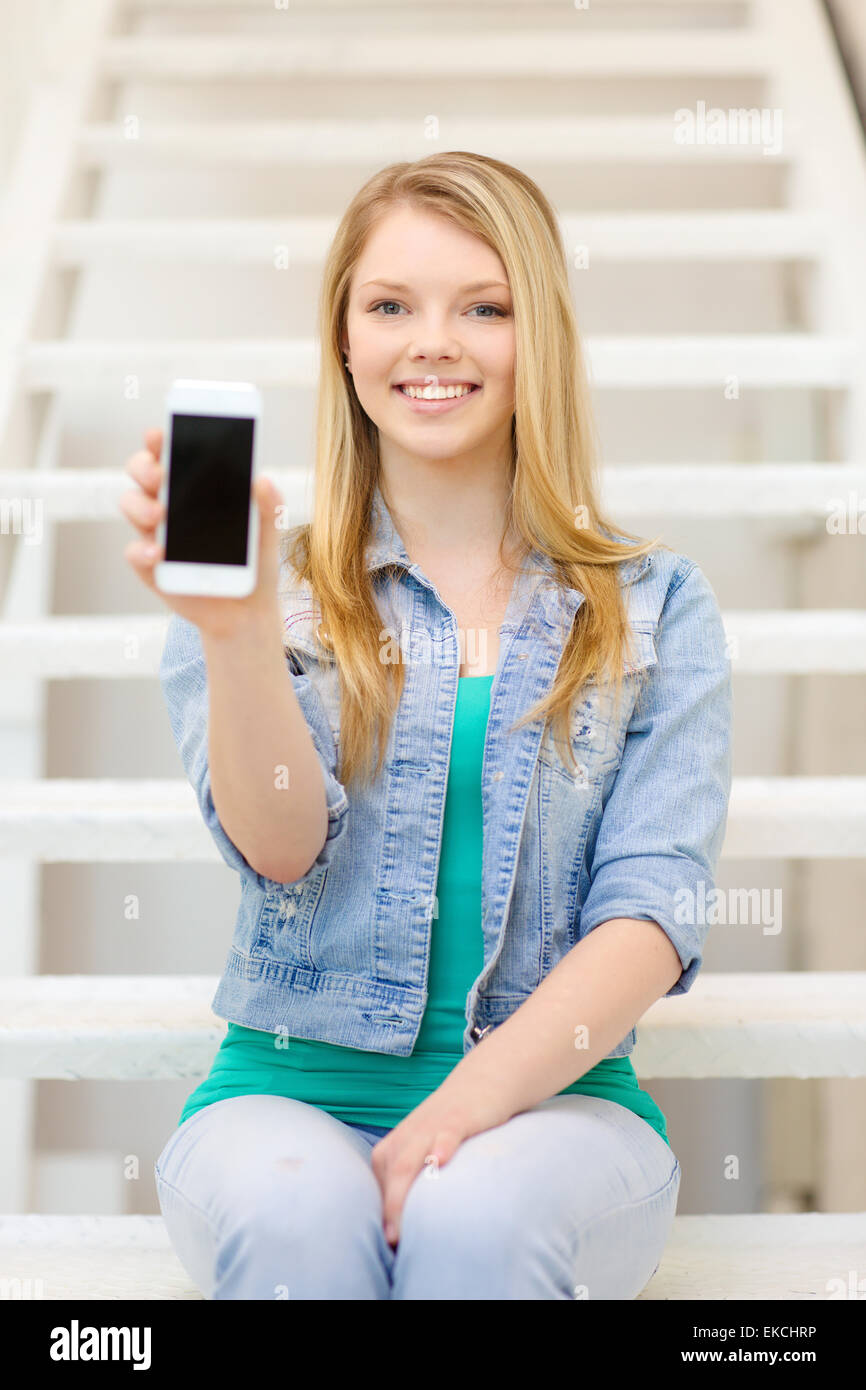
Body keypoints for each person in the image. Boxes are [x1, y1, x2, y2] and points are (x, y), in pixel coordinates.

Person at [120, 151, 732, 1300]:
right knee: (298, 1221)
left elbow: (648, 918)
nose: (432, 342)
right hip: (285, 1092)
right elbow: (280, 846)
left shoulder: (657, 606)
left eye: (482, 307)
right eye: (389, 305)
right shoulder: (259, 593)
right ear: (344, 343)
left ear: (533, 336)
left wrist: (454, 1118)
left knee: (474, 1223)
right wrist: (240, 630)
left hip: (559, 1112)